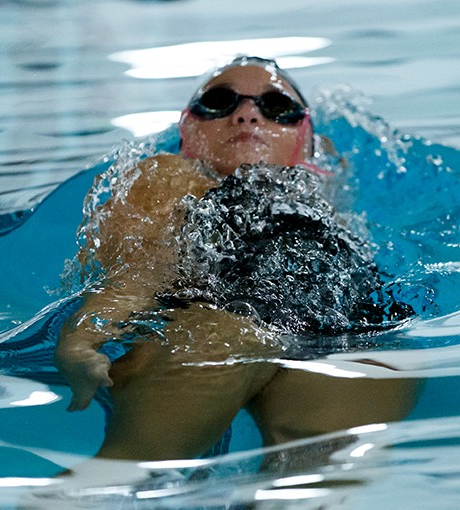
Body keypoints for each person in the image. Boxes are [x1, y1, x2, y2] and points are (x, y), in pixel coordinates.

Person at [54, 56, 419, 461]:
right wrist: (82, 340)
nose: (247, 114)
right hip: (225, 323)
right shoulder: (168, 176)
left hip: (349, 331)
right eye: (220, 102)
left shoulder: (327, 200)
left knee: (320, 474)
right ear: (187, 130)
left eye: (277, 108)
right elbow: (140, 270)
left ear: (309, 141)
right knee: (138, 466)